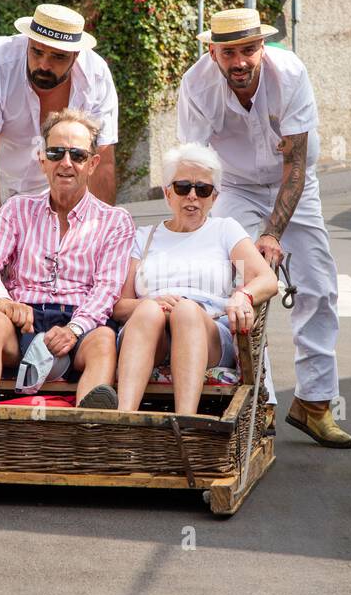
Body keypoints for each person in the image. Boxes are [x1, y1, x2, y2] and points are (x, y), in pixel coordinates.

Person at [175, 7, 351, 448]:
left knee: (317, 285)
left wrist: (272, 234)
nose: (240, 62)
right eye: (229, 52)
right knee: (237, 288)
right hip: (231, 185)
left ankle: (314, 404)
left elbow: (295, 165)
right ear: (213, 52)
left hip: (291, 182)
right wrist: (196, 228)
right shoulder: (196, 86)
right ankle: (261, 404)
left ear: (262, 48)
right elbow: (196, 164)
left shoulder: (290, 73)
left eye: (249, 50)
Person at [0, 3, 119, 344]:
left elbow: (103, 162)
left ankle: (40, 371)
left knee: (52, 283)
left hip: (47, 179)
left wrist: (96, 233)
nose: (43, 64)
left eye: (57, 58)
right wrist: (1, 246)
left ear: (76, 56)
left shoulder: (96, 78)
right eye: (37, 52)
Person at [0, 109, 134, 409]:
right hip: (23, 320)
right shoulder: (17, 209)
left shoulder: (115, 221)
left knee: (103, 341)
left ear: (93, 164)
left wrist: (74, 329)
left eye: (78, 155)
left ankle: (90, 428)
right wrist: (4, 301)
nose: (66, 163)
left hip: (81, 322)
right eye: (57, 152)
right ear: (42, 159)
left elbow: (107, 290)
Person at [112, 143, 278, 415]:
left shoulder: (224, 229)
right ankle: (124, 420)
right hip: (149, 334)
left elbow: (266, 279)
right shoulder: (144, 236)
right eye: (183, 187)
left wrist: (242, 294)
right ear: (167, 193)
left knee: (187, 310)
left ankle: (185, 419)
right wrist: (151, 301)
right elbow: (120, 306)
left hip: (206, 331)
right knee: (148, 310)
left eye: (203, 190)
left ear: (214, 197)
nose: (192, 196)